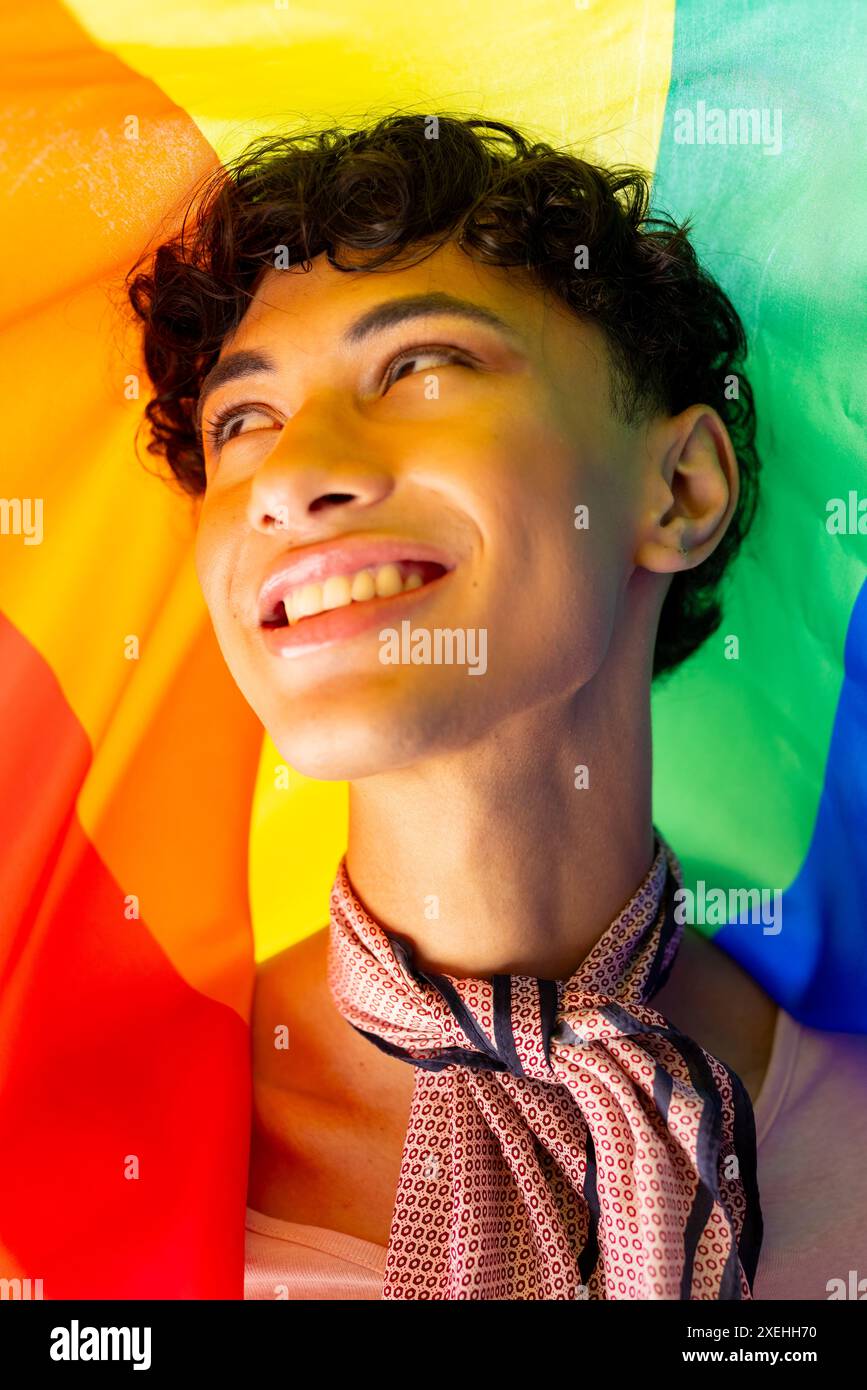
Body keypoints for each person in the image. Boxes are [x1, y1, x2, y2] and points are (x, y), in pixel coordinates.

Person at [126, 112, 867, 1301]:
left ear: (680, 490)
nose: (296, 475)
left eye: (422, 366)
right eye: (242, 421)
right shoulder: (66, 1147)